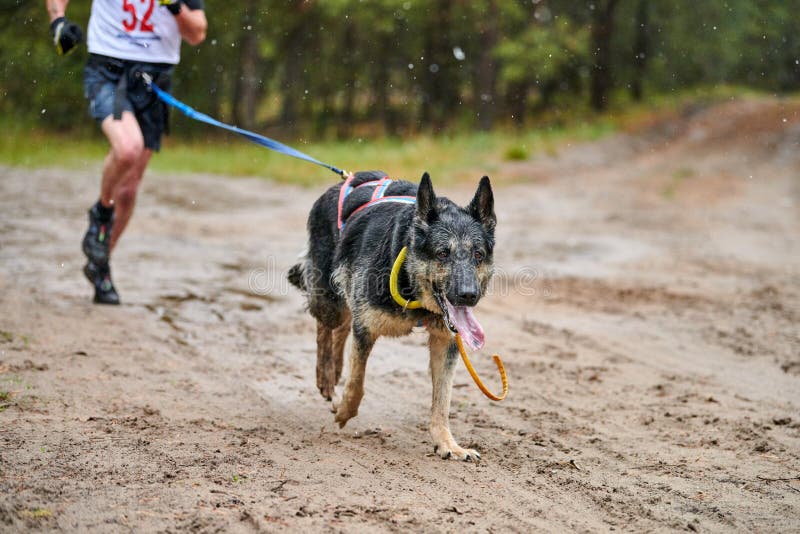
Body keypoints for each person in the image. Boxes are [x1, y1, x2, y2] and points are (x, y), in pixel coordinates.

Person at [47, 0, 207, 304]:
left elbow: (197, 32)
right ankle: (101, 214)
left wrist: (173, 5)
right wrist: (58, 21)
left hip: (154, 79)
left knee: (130, 189)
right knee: (127, 148)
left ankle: (101, 263)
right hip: (108, 69)